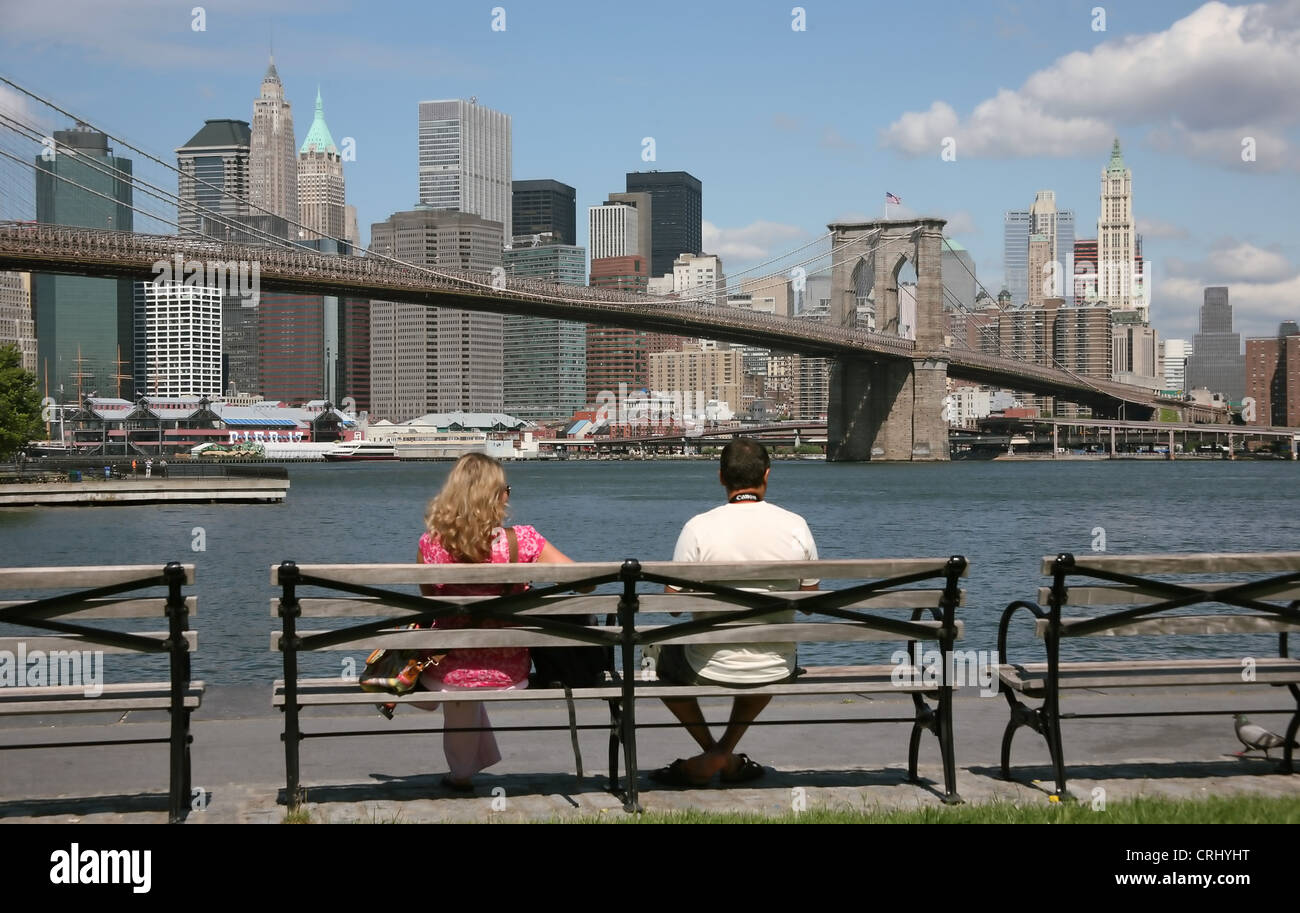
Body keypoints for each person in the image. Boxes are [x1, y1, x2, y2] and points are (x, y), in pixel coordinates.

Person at [651, 438, 818, 787]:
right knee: (766, 653)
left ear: (721, 478)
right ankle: (724, 757)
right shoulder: (796, 525)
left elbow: (673, 608)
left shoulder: (699, 527)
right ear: (767, 476)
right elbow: (809, 600)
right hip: (776, 661)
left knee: (654, 661)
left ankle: (714, 755)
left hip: (707, 663)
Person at [414, 453, 581, 791]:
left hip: (446, 669)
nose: (509, 495)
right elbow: (584, 580)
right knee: (468, 678)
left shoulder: (431, 544)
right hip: (510, 672)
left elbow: (431, 603)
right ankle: (462, 771)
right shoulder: (524, 541)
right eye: (507, 489)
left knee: (461, 678)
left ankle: (461, 774)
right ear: (498, 496)